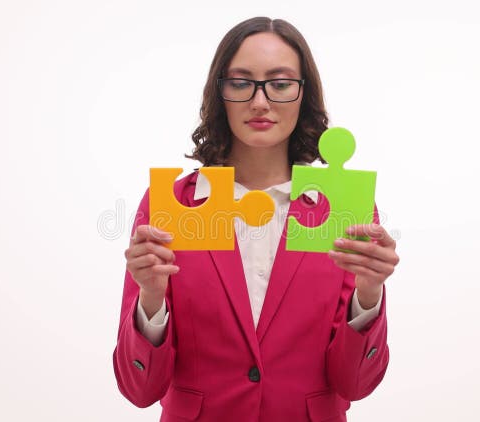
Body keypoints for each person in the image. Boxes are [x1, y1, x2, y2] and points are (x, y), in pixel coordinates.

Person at [113, 16, 400, 421]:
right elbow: (139, 390)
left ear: (304, 95)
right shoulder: (172, 204)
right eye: (241, 82)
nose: (260, 102)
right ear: (220, 93)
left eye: (280, 84)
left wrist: (368, 295)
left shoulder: (343, 208)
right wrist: (151, 300)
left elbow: (355, 385)